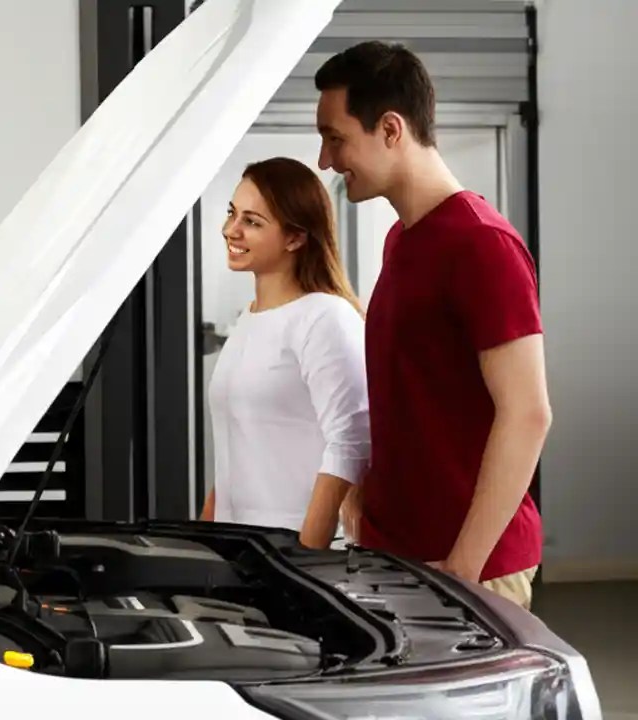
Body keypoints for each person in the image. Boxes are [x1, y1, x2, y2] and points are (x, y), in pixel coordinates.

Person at [313, 41, 551, 608]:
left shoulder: (481, 244)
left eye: (336, 137)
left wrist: (463, 569)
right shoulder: (402, 239)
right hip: (401, 554)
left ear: (391, 129)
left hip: (466, 568)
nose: (326, 159)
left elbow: (529, 413)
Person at [199, 157, 370, 550]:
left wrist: (306, 560)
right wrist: (202, 544)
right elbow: (234, 450)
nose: (231, 230)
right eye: (232, 213)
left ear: (295, 238)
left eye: (252, 221)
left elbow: (349, 443)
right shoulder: (250, 318)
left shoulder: (325, 316)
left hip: (292, 553)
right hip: (237, 550)